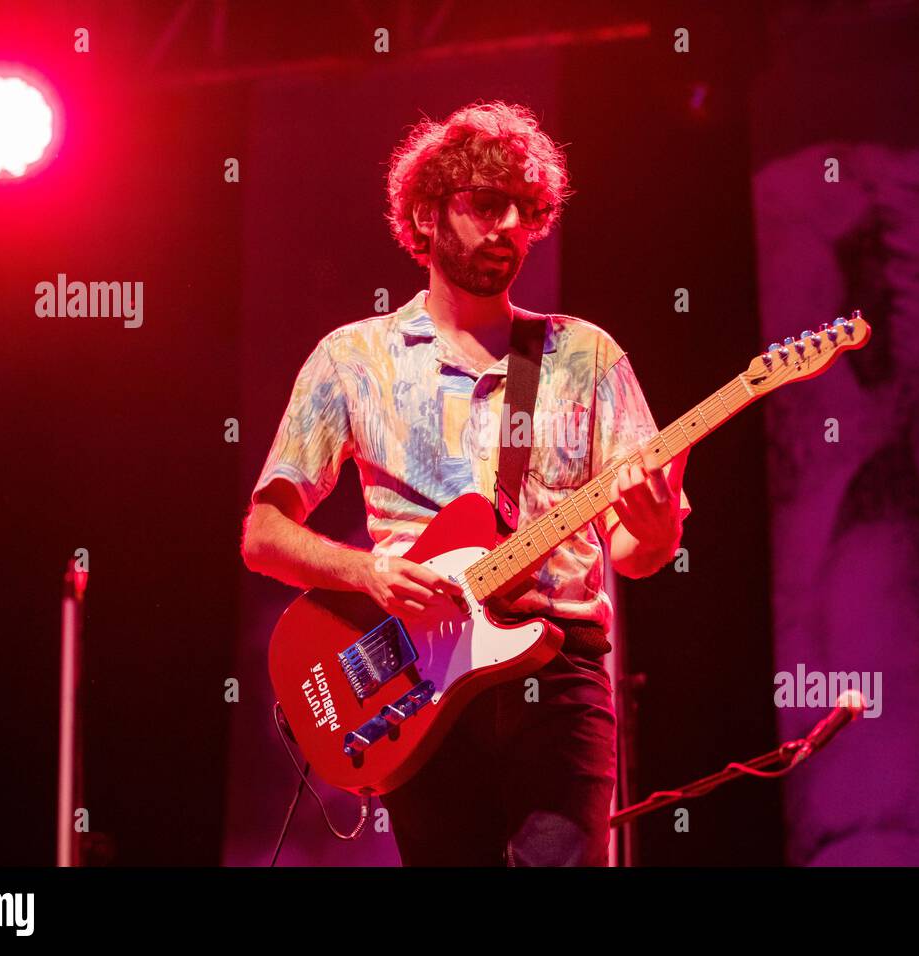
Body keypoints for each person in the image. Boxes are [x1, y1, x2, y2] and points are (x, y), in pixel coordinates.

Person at [240, 100, 691, 866]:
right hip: (420, 685)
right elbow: (263, 535)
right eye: (486, 204)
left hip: (560, 674)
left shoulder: (585, 356)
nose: (510, 225)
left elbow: (636, 552)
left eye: (527, 210)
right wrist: (368, 572)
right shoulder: (353, 359)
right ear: (424, 212)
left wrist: (655, 530)